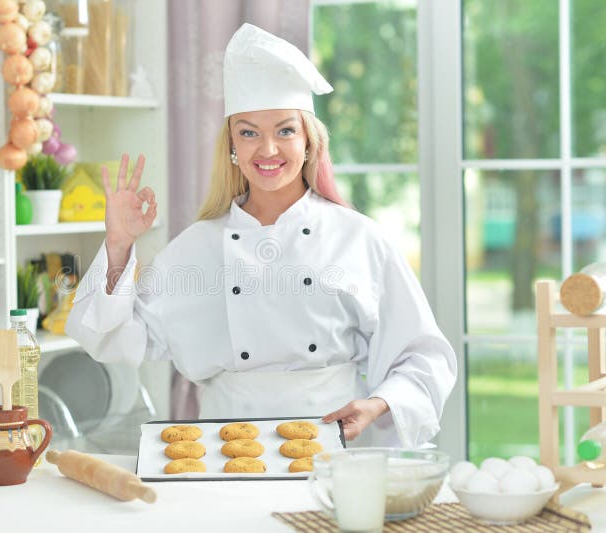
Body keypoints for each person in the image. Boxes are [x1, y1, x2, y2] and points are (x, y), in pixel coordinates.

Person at [66, 23, 457, 448]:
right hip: (223, 450)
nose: (267, 150)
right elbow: (111, 338)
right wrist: (119, 244)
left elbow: (423, 355)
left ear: (309, 141)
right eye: (248, 132)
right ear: (231, 145)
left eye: (285, 130)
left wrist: (378, 404)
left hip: (331, 448)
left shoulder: (358, 239)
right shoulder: (196, 247)